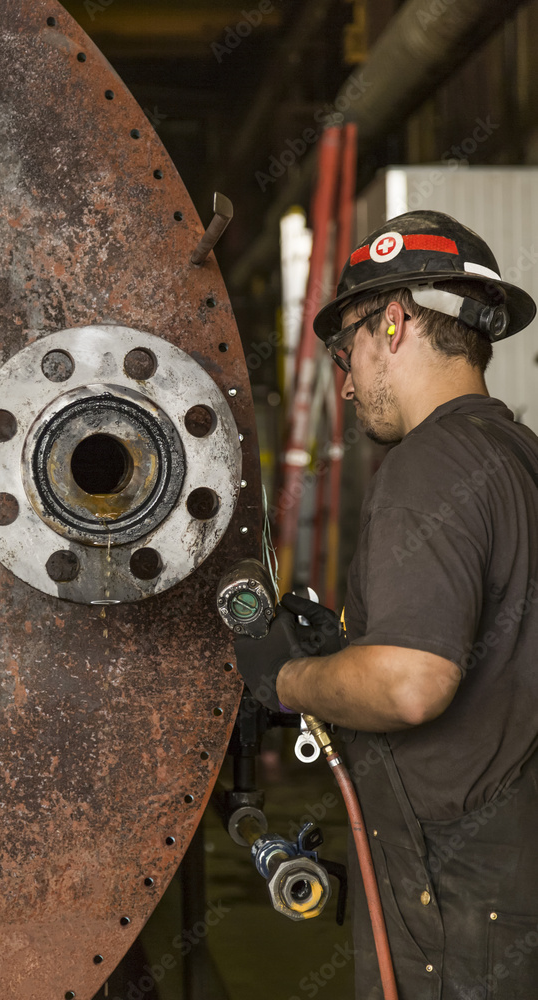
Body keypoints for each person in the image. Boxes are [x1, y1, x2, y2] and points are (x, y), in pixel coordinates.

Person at [234, 210, 538, 1000]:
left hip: (455, 908)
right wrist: (345, 649)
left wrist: (287, 681)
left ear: (393, 323)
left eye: (346, 351)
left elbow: (410, 684)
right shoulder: (519, 458)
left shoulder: (427, 465)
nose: (342, 380)